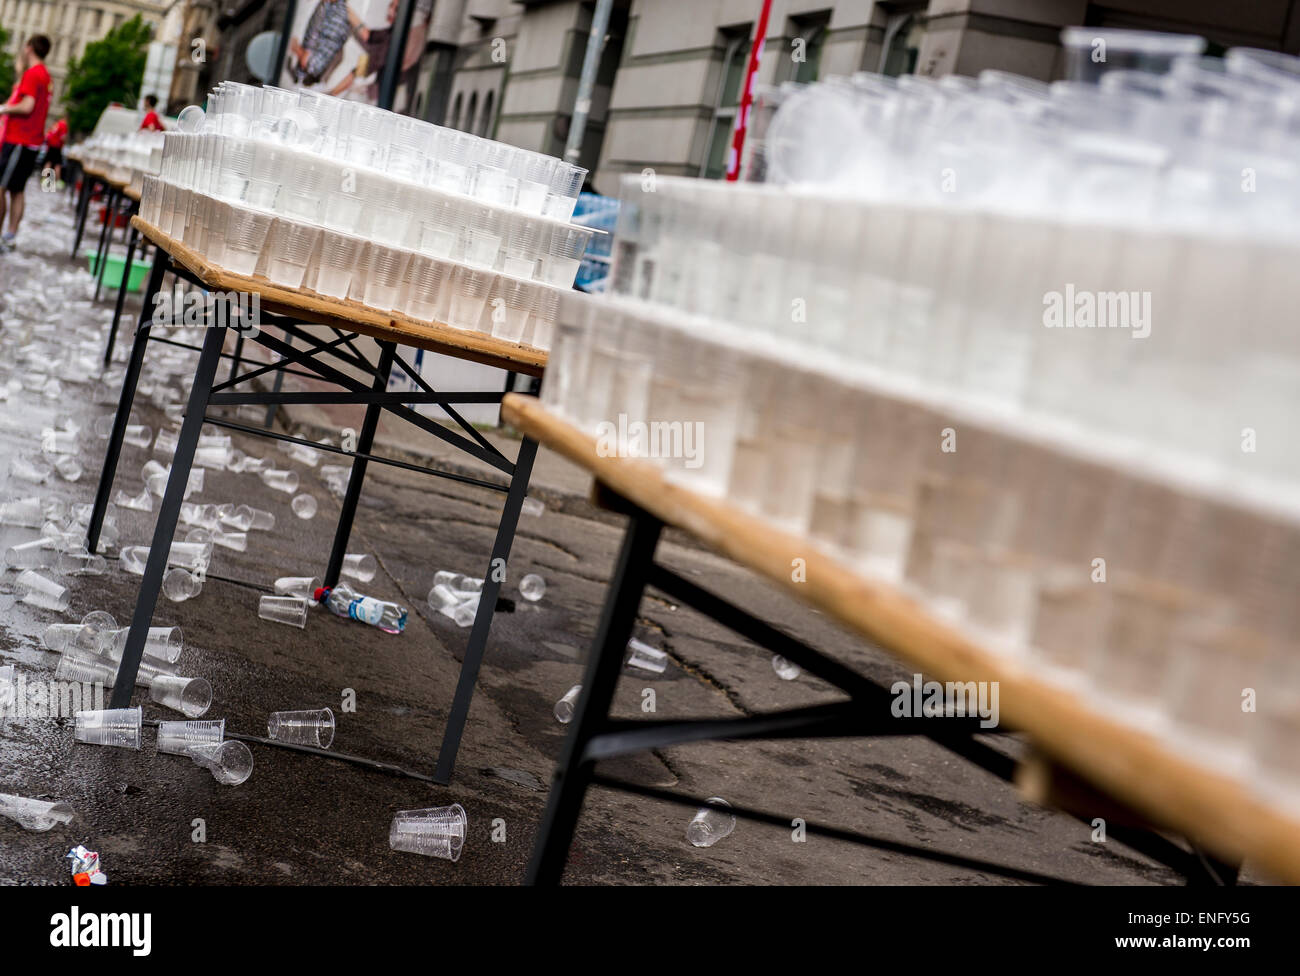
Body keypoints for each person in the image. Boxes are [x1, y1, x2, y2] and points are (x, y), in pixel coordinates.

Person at [0, 34, 52, 250]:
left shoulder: (33, 74)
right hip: (31, 141)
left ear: (29, 47)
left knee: (1, 187)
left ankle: (5, 235)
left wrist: (2, 109)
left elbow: (27, 106)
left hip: (19, 140)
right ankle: (10, 236)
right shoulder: (45, 75)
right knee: (17, 190)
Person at [288, 0, 354, 88]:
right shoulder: (326, 5)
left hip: (304, 87)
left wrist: (294, 47)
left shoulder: (339, 16)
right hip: (296, 78)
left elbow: (313, 64)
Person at [44, 116, 67, 188]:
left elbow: (48, 134)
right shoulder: (63, 125)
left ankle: (45, 179)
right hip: (57, 146)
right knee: (58, 164)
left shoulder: (56, 124)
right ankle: (57, 181)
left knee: (48, 162)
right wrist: (64, 143)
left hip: (50, 145)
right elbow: (63, 137)